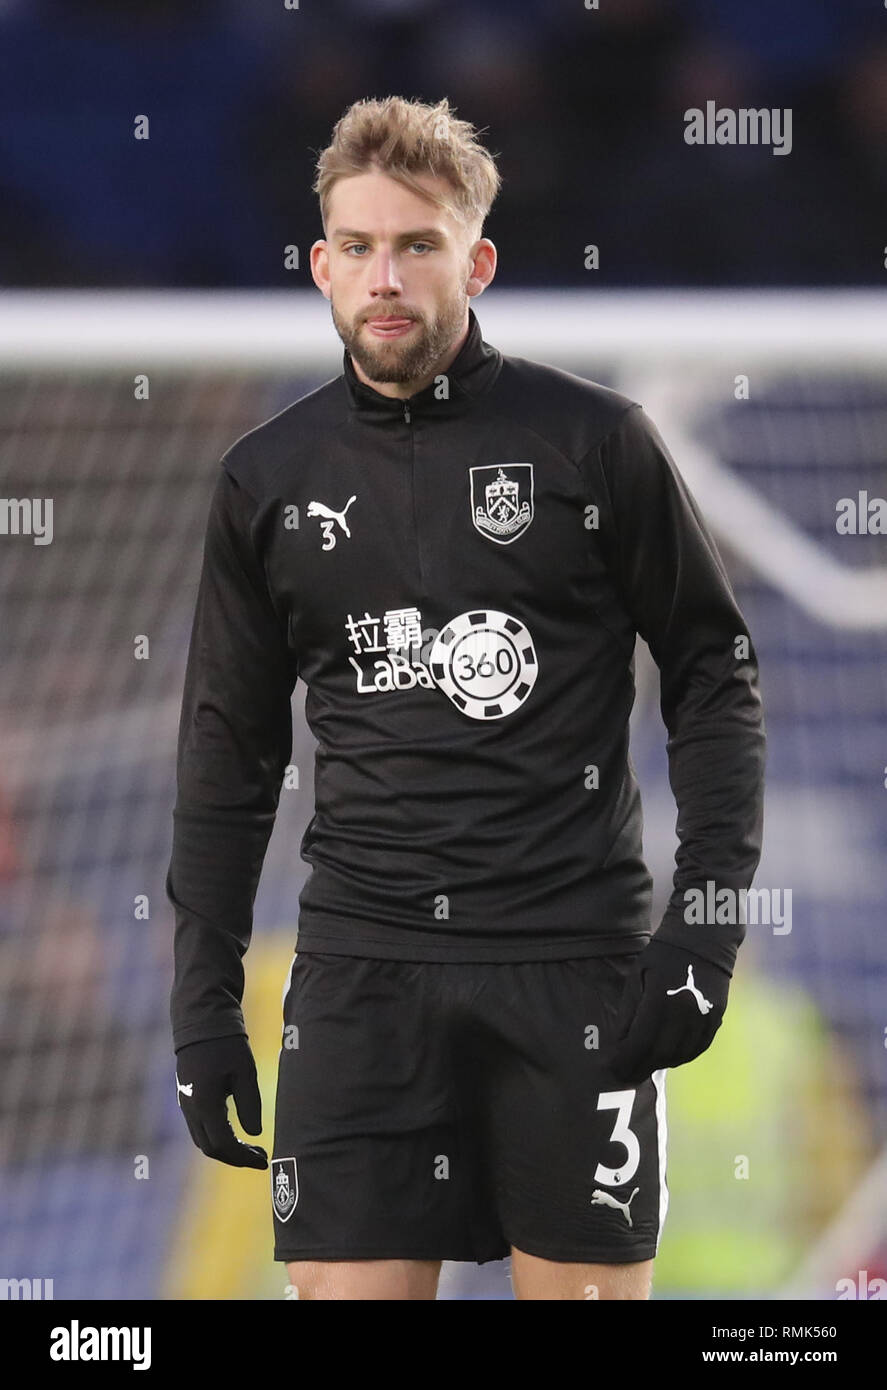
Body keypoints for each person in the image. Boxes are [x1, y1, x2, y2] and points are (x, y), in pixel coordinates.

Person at [166, 94, 766, 1301]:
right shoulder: (266, 479)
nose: (385, 278)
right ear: (323, 265)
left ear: (474, 261)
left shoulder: (594, 445)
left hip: (572, 970)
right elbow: (228, 756)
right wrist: (202, 998)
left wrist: (703, 925)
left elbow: (713, 679)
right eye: (359, 248)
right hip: (359, 978)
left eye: (418, 245)